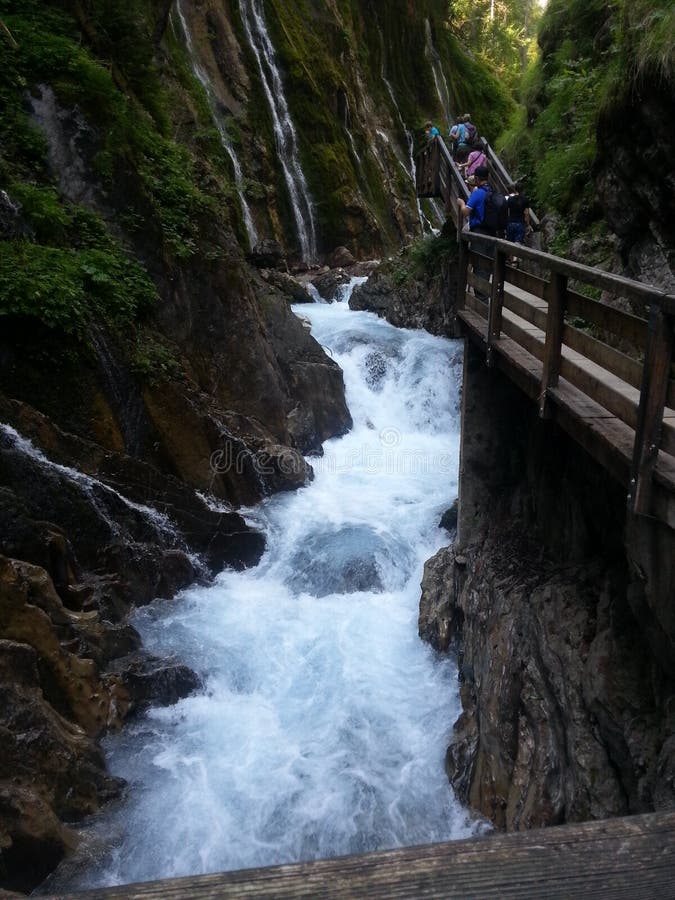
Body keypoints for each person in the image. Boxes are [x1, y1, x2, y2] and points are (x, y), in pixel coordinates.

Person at [457, 165, 494, 300]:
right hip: (492, 234)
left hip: (479, 233)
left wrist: (461, 203)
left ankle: (481, 302)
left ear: (477, 179)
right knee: (486, 267)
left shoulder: (478, 193)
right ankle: (484, 298)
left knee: (479, 266)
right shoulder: (493, 192)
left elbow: (466, 211)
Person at [505, 181, 532, 264]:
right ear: (523, 190)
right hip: (520, 223)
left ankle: (510, 259)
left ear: (515, 189)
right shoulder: (525, 200)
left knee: (510, 241)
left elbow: (507, 212)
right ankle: (515, 260)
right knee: (518, 241)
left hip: (510, 223)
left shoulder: (510, 199)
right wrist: (528, 225)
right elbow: (526, 213)